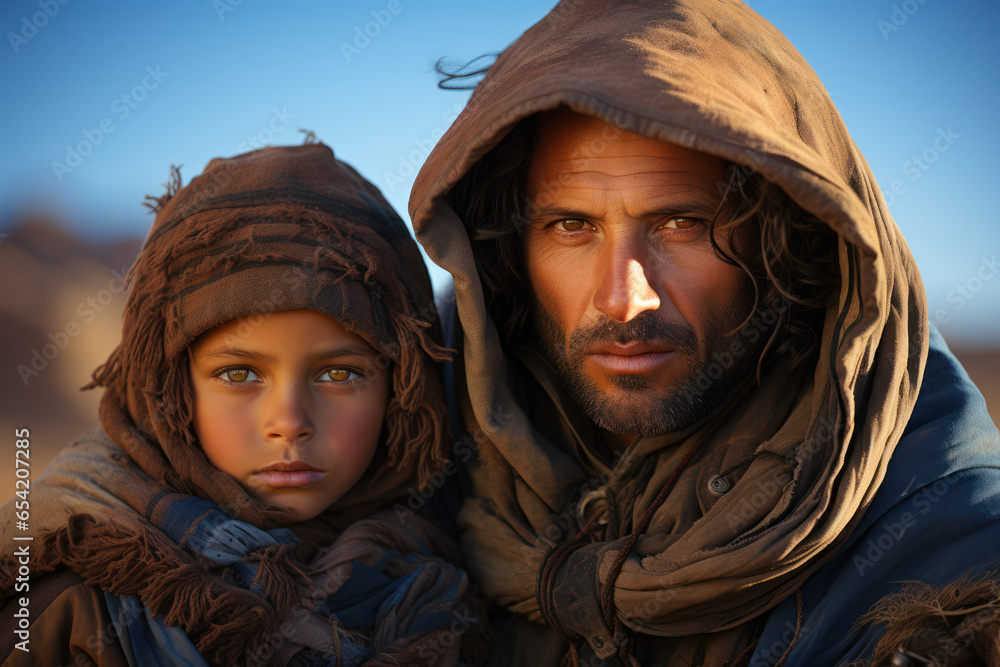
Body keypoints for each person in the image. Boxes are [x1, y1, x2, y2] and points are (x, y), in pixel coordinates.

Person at [408, 1, 1000, 665]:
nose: (624, 298)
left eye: (681, 224)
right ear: (509, 255)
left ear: (785, 240)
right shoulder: (416, 456)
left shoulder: (946, 548)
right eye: (571, 226)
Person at [0, 142, 483, 666]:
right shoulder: (73, 596)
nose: (289, 423)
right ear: (172, 389)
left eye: (339, 374)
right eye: (239, 374)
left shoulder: (453, 564)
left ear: (405, 387)